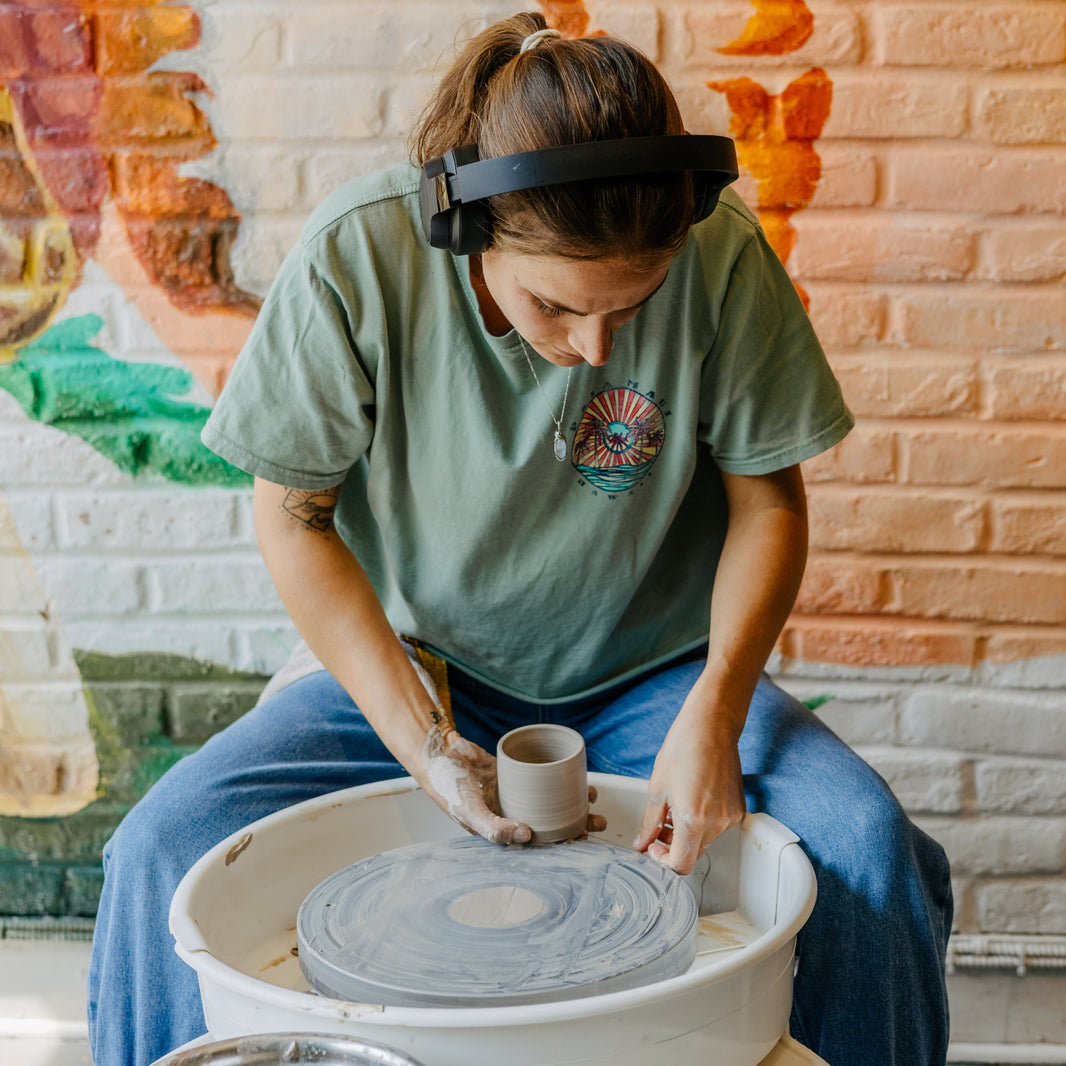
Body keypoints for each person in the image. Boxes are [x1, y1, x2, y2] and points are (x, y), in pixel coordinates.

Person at [87, 12, 952, 1066]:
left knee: (869, 849)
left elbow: (767, 503)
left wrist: (717, 708)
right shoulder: (359, 257)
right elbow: (293, 514)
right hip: (426, 674)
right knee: (156, 848)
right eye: (557, 306)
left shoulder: (720, 253)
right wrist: (418, 741)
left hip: (659, 676)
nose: (594, 348)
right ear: (471, 234)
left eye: (631, 310)